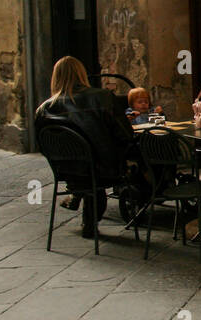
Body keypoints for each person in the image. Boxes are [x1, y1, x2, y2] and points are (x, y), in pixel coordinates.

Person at [34, 56, 135, 238]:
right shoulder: (103, 97)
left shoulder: (44, 109)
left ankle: (79, 200)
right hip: (105, 168)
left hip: (67, 171)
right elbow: (125, 135)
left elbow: (44, 146)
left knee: (88, 173)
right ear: (82, 74)